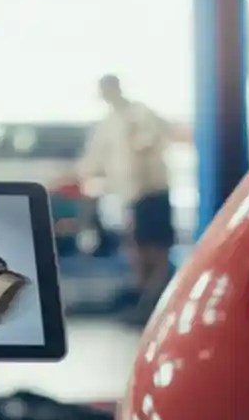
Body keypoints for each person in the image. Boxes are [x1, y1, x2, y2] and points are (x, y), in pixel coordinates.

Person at [75, 74, 175, 325]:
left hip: (152, 191)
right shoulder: (106, 125)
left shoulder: (140, 114)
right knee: (136, 250)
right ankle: (145, 301)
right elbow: (93, 160)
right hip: (130, 196)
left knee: (156, 249)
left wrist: (140, 142)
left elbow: (154, 139)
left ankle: (156, 302)